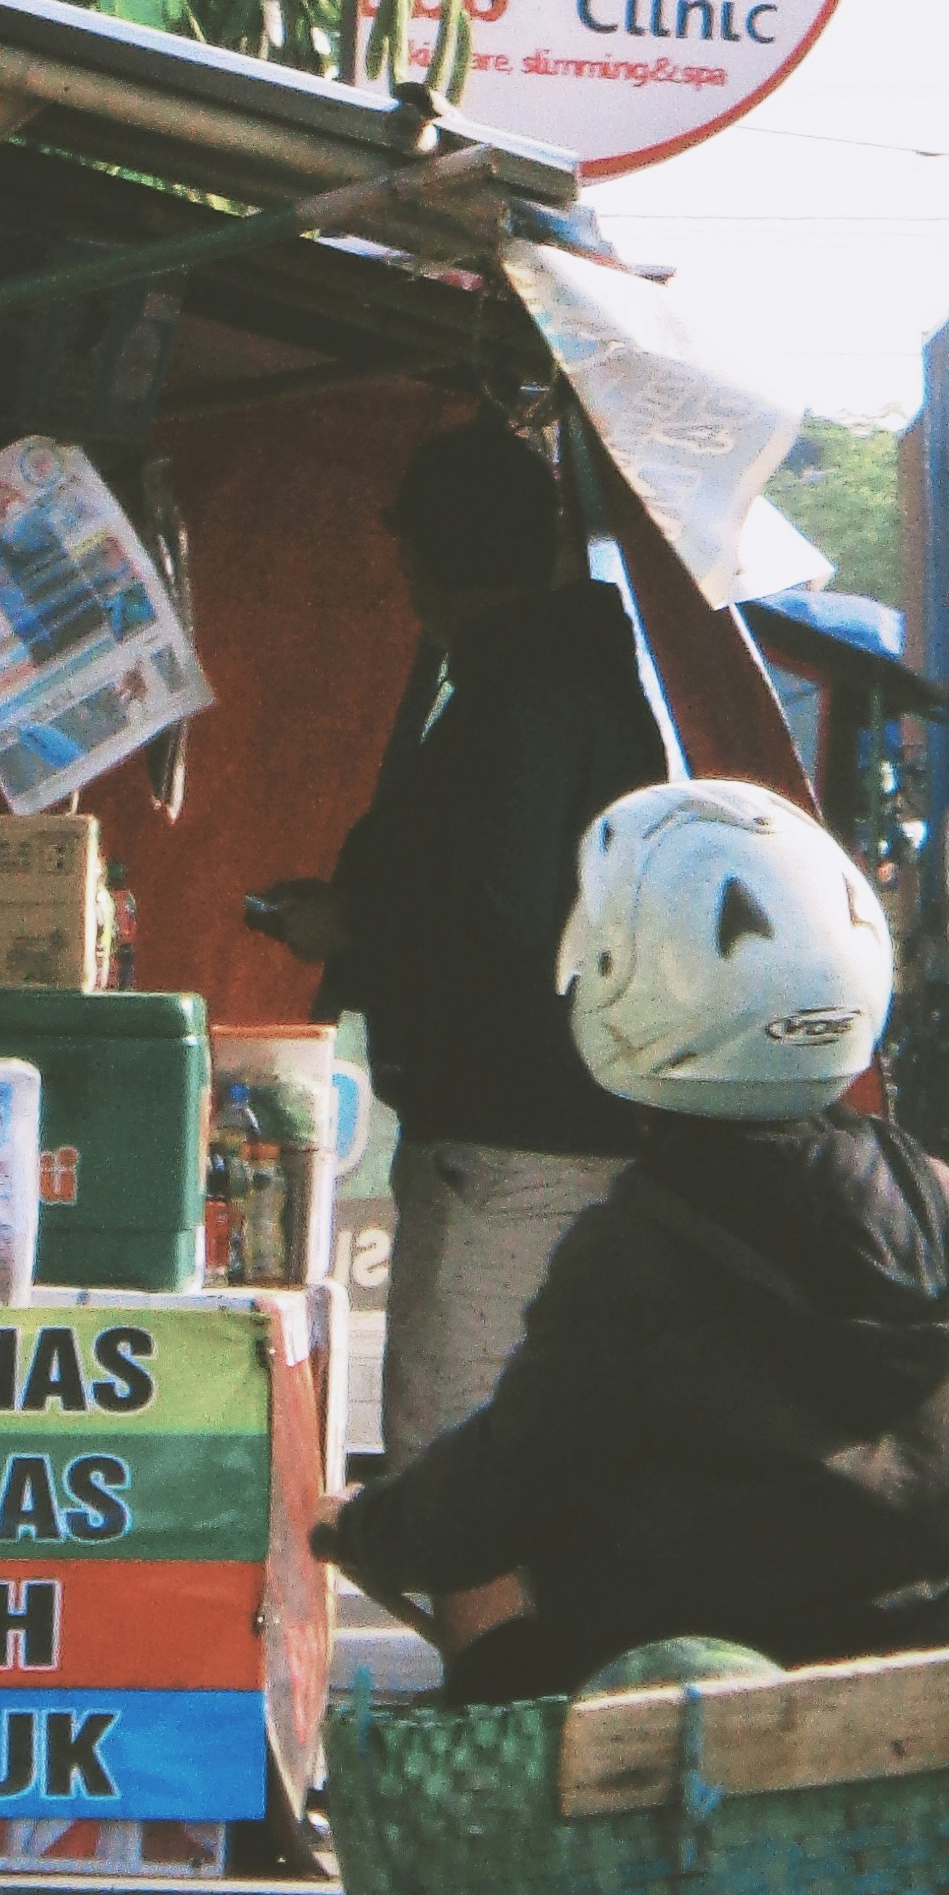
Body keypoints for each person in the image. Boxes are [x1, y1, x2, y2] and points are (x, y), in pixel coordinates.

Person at [324, 778, 949, 1697]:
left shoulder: (635, 1251)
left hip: (701, 1702)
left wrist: (368, 1528)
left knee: (494, 1687)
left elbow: (510, 1481)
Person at [255, 421, 666, 1534]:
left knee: (456, 1471)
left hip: (519, 1138)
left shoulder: (527, 694)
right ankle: (525, 1691)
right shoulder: (566, 675)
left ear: (421, 564)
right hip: (551, 1127)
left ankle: (515, 1700)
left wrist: (353, 916)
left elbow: (501, 908)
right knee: (488, 1460)